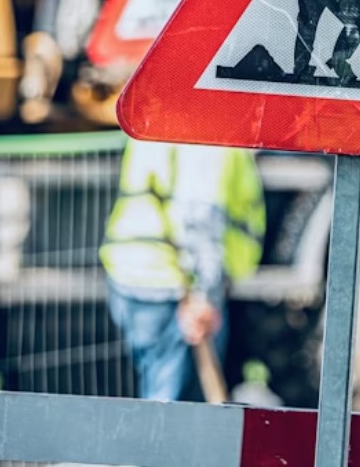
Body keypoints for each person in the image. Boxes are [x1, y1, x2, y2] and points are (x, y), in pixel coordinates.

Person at [100, 137, 265, 402]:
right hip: (175, 287)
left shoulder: (159, 115)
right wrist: (204, 296)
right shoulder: (209, 125)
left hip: (134, 272)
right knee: (173, 412)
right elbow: (199, 219)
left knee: (160, 398)